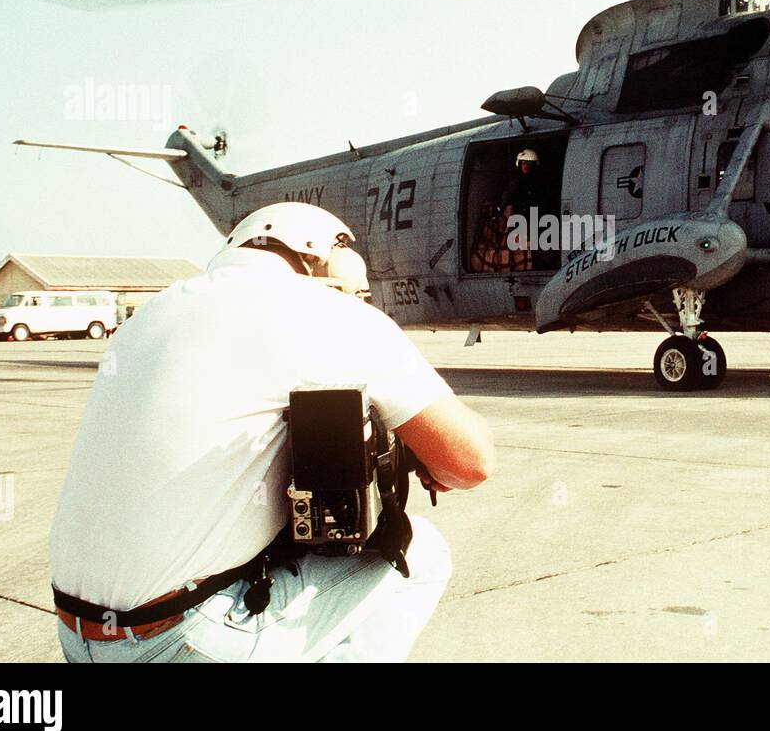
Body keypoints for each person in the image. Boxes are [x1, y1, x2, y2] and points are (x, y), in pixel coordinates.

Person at [48, 201, 494, 662]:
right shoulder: (328, 311)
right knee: (424, 555)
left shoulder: (149, 315)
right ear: (322, 257)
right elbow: (471, 464)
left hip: (79, 637)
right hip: (180, 641)